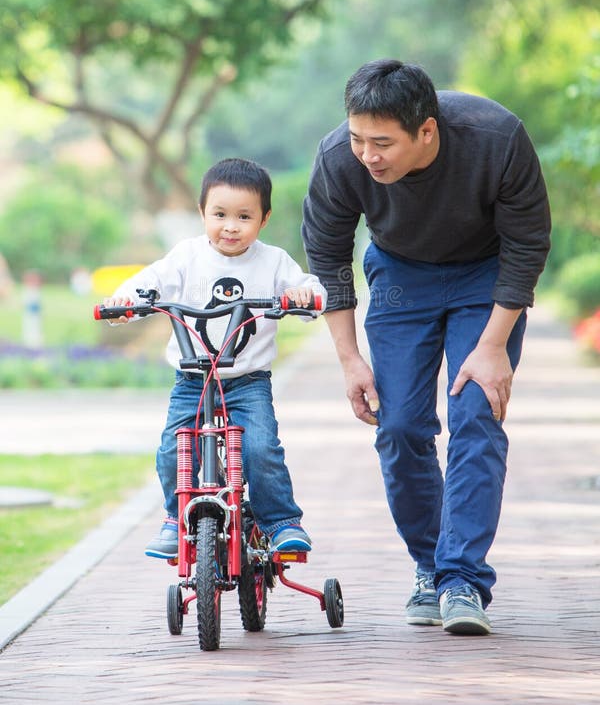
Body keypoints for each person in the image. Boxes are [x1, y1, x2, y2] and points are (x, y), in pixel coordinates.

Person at [302, 59, 551, 635]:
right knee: (400, 427)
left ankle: (461, 578)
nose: (368, 155)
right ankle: (429, 564)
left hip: (484, 279)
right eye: (360, 139)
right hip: (399, 276)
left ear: (427, 132)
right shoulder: (340, 156)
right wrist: (349, 359)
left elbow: (527, 246)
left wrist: (493, 348)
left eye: (383, 143)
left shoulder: (496, 138)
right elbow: (330, 258)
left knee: (475, 413)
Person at [105, 158, 326, 559]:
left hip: (247, 381)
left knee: (260, 449)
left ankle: (280, 522)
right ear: (202, 213)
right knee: (173, 450)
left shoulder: (273, 261)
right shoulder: (186, 256)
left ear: (264, 219)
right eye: (220, 214)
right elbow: (148, 283)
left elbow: (311, 291)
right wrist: (124, 302)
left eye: (244, 216)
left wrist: (303, 297)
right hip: (191, 381)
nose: (230, 226)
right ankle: (176, 518)